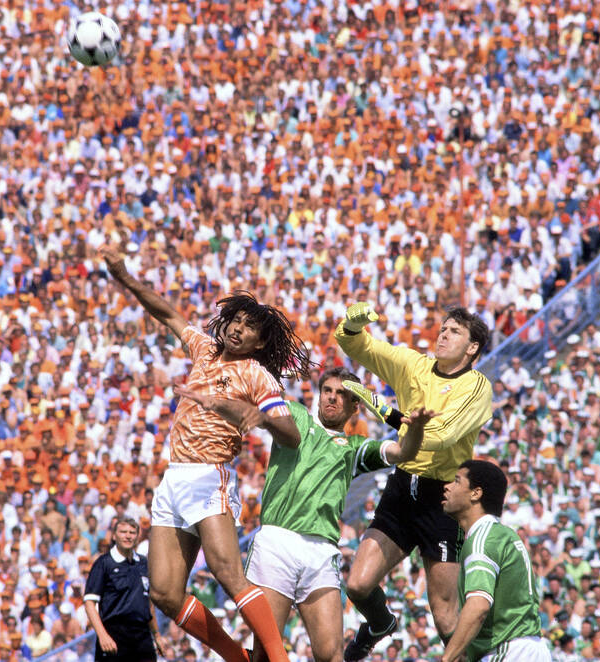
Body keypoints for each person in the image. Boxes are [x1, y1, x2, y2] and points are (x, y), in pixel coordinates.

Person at [101, 246, 311, 662]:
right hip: (174, 477)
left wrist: (261, 418)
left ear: (260, 341)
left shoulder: (257, 376)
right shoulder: (205, 349)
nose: (238, 329)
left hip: (209, 475)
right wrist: (123, 275)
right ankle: (237, 657)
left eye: (250, 327)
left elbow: (290, 435)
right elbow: (166, 312)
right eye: (236, 321)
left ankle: (278, 657)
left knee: (227, 573)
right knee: (164, 592)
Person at [178, 367, 437, 662]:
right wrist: (218, 403)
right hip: (277, 544)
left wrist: (416, 427)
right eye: (327, 390)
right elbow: (255, 413)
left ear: (356, 406)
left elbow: (404, 453)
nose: (332, 398)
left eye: (342, 394)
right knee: (265, 654)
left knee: (331, 655)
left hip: (322, 552)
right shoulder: (296, 415)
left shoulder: (354, 448)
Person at [334, 302, 494, 659]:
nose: (444, 335)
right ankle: (380, 624)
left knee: (445, 616)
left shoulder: (476, 387)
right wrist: (352, 326)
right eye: (444, 328)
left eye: (455, 332)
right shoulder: (414, 364)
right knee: (357, 585)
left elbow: (440, 436)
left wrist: (391, 415)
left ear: (472, 348)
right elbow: (355, 345)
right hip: (403, 487)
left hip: (443, 499)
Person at [440, 460, 550, 662]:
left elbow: (479, 606)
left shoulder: (482, 540)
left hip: (508, 651)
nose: (447, 486)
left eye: (456, 481)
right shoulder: (503, 534)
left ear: (476, 493)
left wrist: (447, 658)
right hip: (529, 648)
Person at [83, 518, 167, 661]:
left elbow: (149, 604)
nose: (128, 536)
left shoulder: (143, 563)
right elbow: (89, 603)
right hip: (114, 636)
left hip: (142, 637)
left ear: (137, 537)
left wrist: (157, 635)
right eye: (123, 532)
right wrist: (102, 636)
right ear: (114, 536)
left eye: (132, 532)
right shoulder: (103, 563)